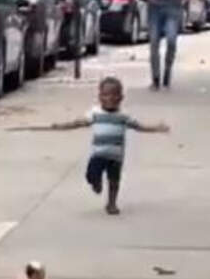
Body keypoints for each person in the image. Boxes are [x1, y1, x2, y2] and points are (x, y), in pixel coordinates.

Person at [9, 76, 169, 215]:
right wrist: (61, 125)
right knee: (91, 174)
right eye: (106, 95)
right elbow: (78, 123)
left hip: (116, 156)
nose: (110, 98)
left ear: (121, 97)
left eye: (114, 95)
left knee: (114, 181)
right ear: (100, 97)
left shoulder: (124, 116)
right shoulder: (95, 113)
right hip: (98, 154)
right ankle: (96, 183)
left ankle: (111, 203)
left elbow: (139, 126)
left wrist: (156, 128)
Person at [138, 0, 189, 91]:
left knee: (171, 40)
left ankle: (167, 72)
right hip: (155, 6)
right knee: (154, 42)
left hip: (173, 6)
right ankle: (155, 79)